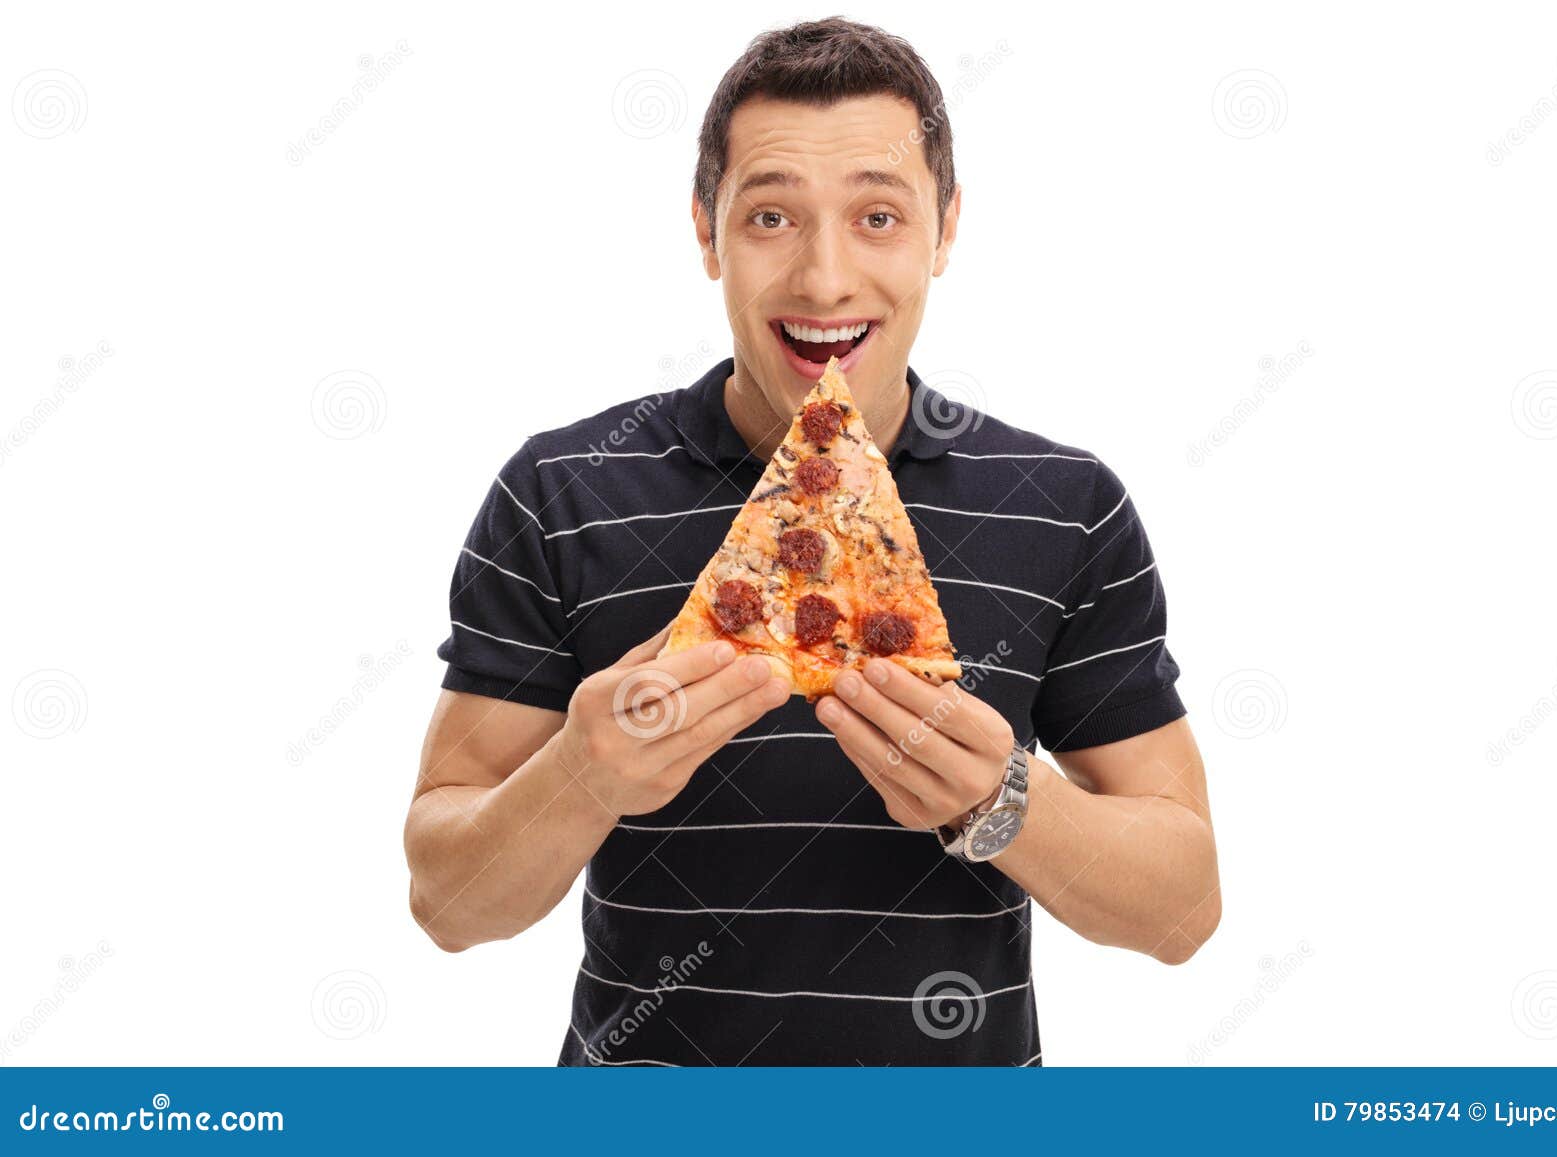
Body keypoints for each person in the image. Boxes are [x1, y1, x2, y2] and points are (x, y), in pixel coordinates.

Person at [404, 17, 1220, 1066]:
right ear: (706, 233)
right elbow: (446, 901)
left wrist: (1008, 802)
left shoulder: (1064, 504)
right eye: (771, 216)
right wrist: (583, 774)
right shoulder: (563, 490)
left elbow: (1182, 912)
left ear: (945, 229)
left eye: (877, 216)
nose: (824, 279)